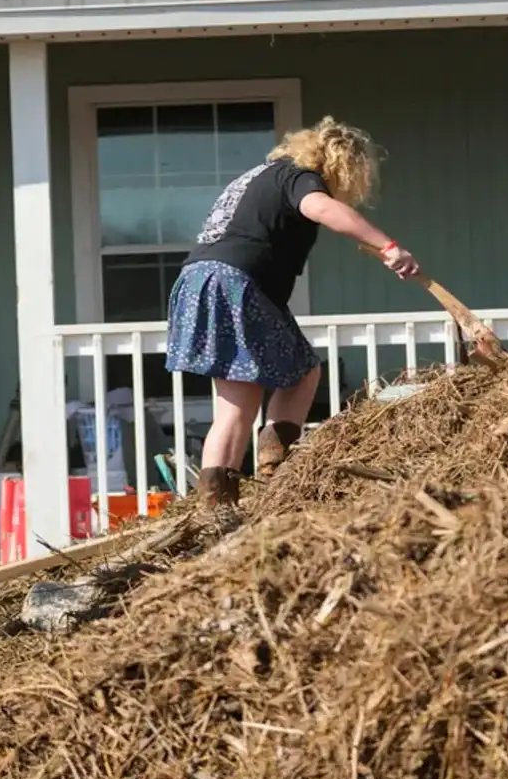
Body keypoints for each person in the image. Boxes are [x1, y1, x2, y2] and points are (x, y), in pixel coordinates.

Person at [166, 116, 419, 519]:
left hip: (201, 279)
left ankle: (243, 485)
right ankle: (244, 487)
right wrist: (388, 246)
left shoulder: (260, 176)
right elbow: (320, 208)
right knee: (271, 388)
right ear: (340, 164)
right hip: (235, 282)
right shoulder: (298, 177)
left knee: (270, 388)